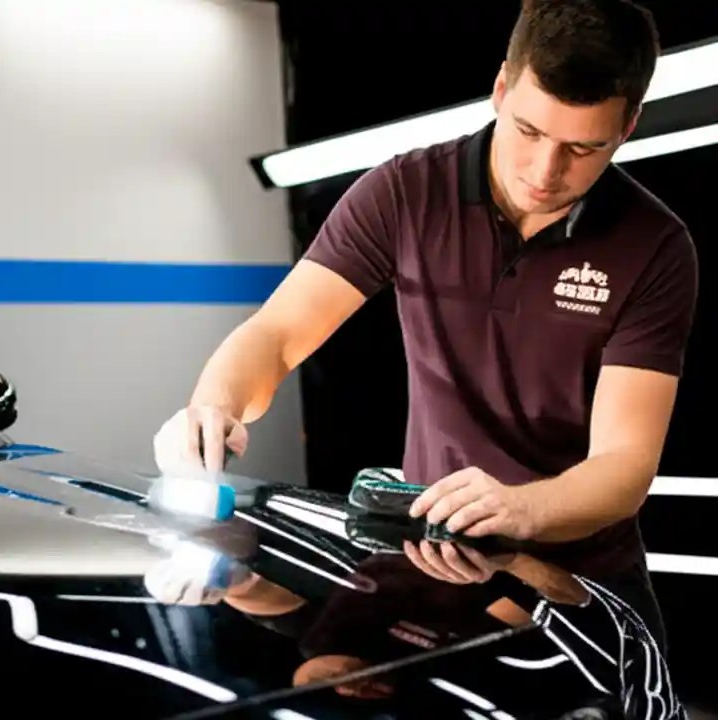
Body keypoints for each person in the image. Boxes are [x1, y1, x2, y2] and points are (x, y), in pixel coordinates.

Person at [152, 0, 696, 632]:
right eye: (528, 131)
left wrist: (520, 509)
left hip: (581, 583)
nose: (546, 171)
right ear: (500, 89)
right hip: (429, 559)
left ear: (628, 126)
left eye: (583, 147)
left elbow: (624, 465)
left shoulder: (655, 247)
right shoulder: (405, 193)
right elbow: (277, 336)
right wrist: (215, 407)